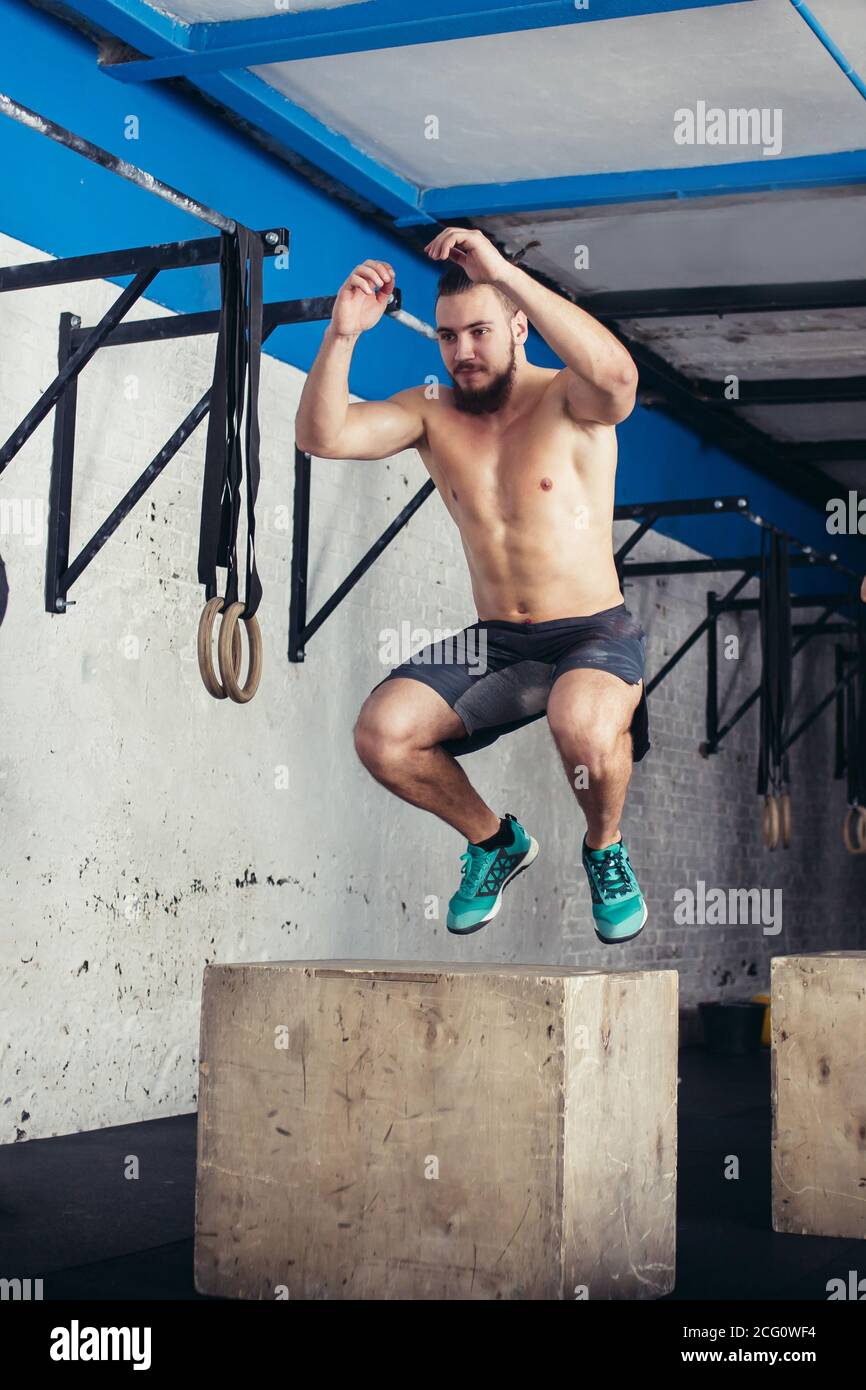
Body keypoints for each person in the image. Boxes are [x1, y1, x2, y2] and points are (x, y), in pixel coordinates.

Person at [295, 227, 649, 943]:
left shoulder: (570, 399)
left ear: (519, 325)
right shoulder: (433, 411)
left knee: (579, 724)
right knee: (384, 735)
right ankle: (494, 843)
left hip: (592, 634)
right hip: (501, 647)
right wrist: (341, 336)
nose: (463, 352)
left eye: (481, 332)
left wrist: (504, 271)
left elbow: (620, 381)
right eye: (449, 336)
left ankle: (604, 847)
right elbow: (322, 436)